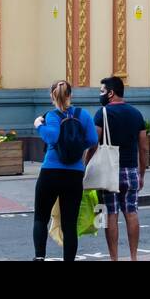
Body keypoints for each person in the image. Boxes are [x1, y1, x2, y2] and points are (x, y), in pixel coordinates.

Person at [32, 80, 98, 261]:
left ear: (52, 96)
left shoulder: (52, 116)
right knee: (69, 224)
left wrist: (39, 124)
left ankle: (39, 257)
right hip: (74, 173)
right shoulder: (82, 114)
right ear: (70, 95)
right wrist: (76, 148)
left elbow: (51, 138)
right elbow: (92, 140)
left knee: (41, 218)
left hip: (50, 172)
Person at [93, 76, 149, 262]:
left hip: (110, 172)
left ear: (111, 93)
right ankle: (134, 257)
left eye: (102, 91)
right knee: (131, 213)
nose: (100, 94)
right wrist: (141, 173)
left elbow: (94, 143)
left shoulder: (102, 113)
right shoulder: (136, 114)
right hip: (131, 170)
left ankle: (114, 258)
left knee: (111, 214)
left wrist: (86, 164)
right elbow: (144, 147)